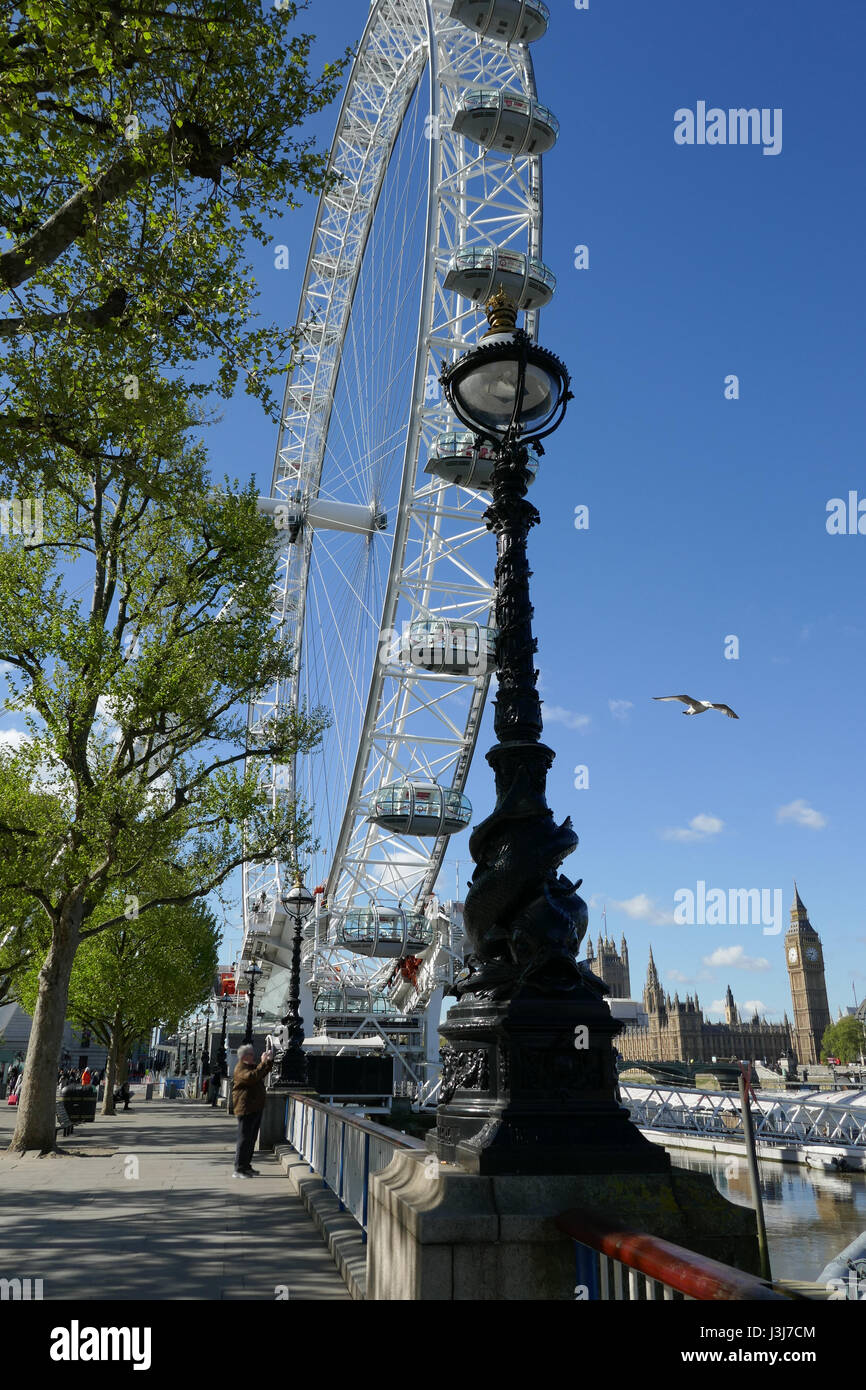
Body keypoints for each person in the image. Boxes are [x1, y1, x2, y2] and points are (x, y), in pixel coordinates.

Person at [231, 1043, 274, 1177]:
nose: (253, 1056)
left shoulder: (249, 1066)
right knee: (244, 1139)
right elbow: (252, 1077)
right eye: (251, 1054)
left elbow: (261, 1072)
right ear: (244, 1056)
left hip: (254, 1107)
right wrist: (262, 1062)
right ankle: (239, 1169)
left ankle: (246, 1166)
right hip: (246, 1109)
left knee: (251, 1139)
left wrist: (268, 1061)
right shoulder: (240, 1068)